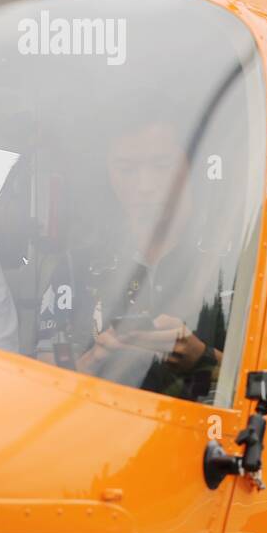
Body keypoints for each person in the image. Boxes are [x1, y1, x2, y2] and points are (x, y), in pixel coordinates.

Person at [44, 109, 227, 399]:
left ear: (191, 164)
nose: (145, 186)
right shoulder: (79, 267)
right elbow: (40, 384)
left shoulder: (238, 262)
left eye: (161, 165)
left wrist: (203, 360)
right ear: (109, 173)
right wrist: (94, 362)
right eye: (127, 169)